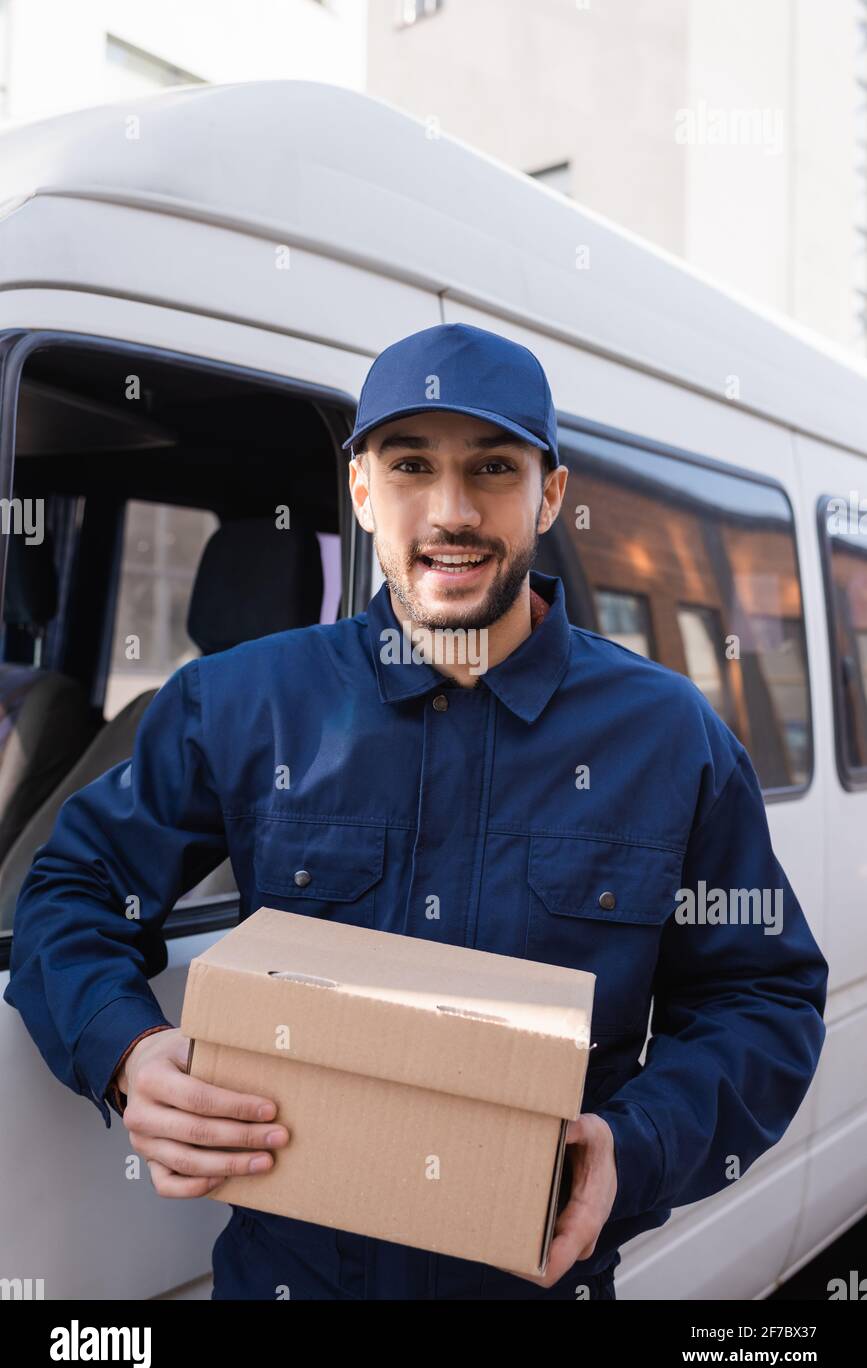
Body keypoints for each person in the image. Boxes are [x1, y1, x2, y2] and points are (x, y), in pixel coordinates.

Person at [4, 323, 828, 1301]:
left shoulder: (669, 739)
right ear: (361, 490)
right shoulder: (239, 705)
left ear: (549, 494)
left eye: (492, 467)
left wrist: (634, 1145)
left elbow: (762, 999)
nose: (451, 511)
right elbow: (71, 889)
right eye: (409, 465)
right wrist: (127, 1051)